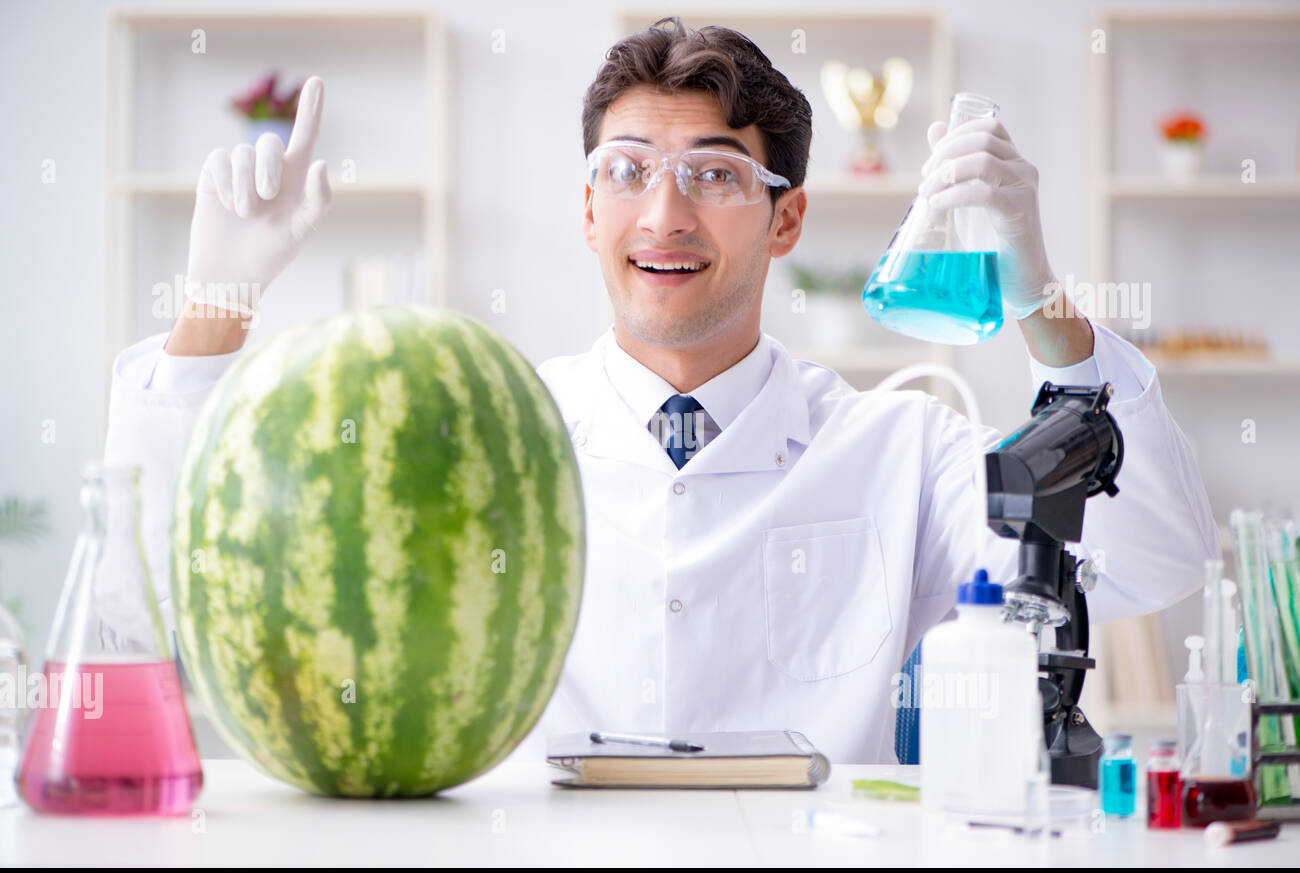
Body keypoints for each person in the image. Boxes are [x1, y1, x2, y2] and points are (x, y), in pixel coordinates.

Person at [104, 18, 1218, 765]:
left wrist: (1042, 303)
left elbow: (1152, 555)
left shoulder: (900, 447)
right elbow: (159, 592)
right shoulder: (477, 435)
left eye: (715, 175)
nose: (664, 217)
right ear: (586, 209)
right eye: (625, 171)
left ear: (787, 219)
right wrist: (213, 308)